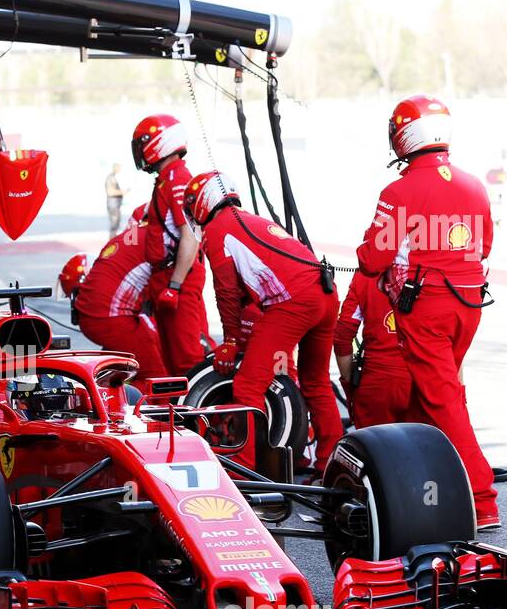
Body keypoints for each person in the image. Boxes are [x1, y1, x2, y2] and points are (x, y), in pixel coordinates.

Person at [355, 95, 498, 530]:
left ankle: (481, 496)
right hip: (469, 304)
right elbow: (485, 246)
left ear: (404, 136)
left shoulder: (399, 189)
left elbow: (374, 258)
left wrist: (367, 249)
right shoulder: (474, 184)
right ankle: (427, 484)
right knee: (432, 396)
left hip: (427, 310)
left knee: (443, 400)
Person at [183, 170, 343, 476]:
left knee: (247, 386)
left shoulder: (219, 229)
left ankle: (244, 472)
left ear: (202, 202)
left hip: (293, 302)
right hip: (326, 293)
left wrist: (230, 342)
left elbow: (227, 292)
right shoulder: (248, 220)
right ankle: (331, 468)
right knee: (317, 384)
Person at [132, 114, 211, 376]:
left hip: (176, 279)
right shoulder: (167, 178)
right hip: (165, 278)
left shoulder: (177, 179)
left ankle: (196, 415)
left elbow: (191, 235)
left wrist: (175, 285)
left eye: (143, 143)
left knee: (186, 359)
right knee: (172, 361)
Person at [70, 204, 169, 380]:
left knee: (117, 374)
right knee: (156, 377)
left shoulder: (127, 237)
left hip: (96, 315)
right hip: (111, 318)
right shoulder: (159, 238)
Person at [334, 270, 411, 429]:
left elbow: (342, 334)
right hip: (423, 381)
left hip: (376, 383)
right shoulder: (434, 271)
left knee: (373, 450)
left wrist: (349, 379)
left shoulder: (366, 274)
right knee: (423, 449)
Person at [104, 163, 125, 235]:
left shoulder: (112, 177)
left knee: (115, 225)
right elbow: (110, 192)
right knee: (114, 226)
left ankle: (112, 241)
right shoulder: (110, 178)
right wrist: (122, 192)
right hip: (113, 205)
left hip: (115, 205)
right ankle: (111, 243)